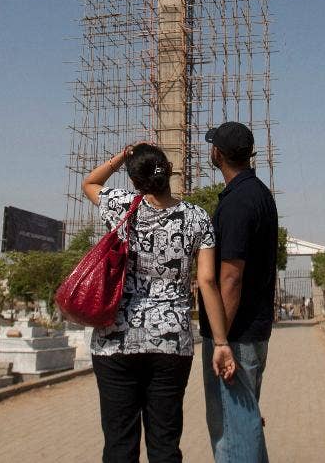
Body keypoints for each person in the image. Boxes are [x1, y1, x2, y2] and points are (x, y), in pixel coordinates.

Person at [81, 143, 237, 463]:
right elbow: (207, 282)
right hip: (171, 343)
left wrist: (122, 158)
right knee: (165, 443)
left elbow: (89, 183)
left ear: (135, 182)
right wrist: (221, 342)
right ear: (168, 169)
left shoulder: (122, 205)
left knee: (119, 444)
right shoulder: (197, 218)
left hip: (115, 342)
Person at [199, 121, 279, 463]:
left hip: (235, 337)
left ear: (217, 153)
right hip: (252, 331)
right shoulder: (259, 193)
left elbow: (230, 279)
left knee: (232, 434)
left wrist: (221, 341)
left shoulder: (237, 204)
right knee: (244, 425)